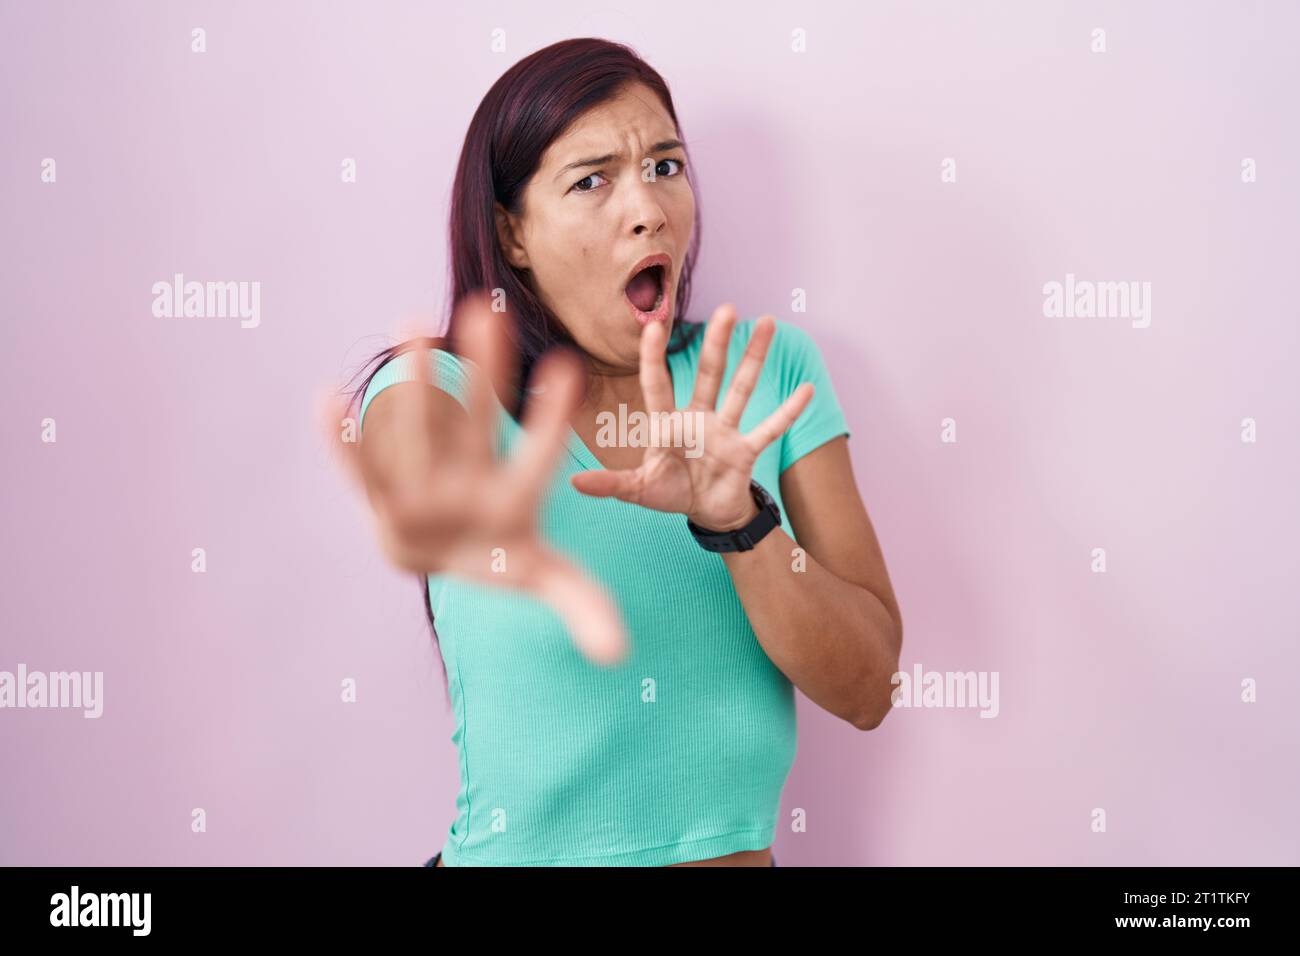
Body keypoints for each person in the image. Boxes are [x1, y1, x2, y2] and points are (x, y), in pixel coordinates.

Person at [323, 37, 902, 867]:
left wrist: (740, 523)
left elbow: (870, 688)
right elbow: (412, 443)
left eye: (665, 166)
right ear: (511, 236)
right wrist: (426, 497)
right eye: (591, 181)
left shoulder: (766, 372)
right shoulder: (453, 384)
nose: (648, 208)